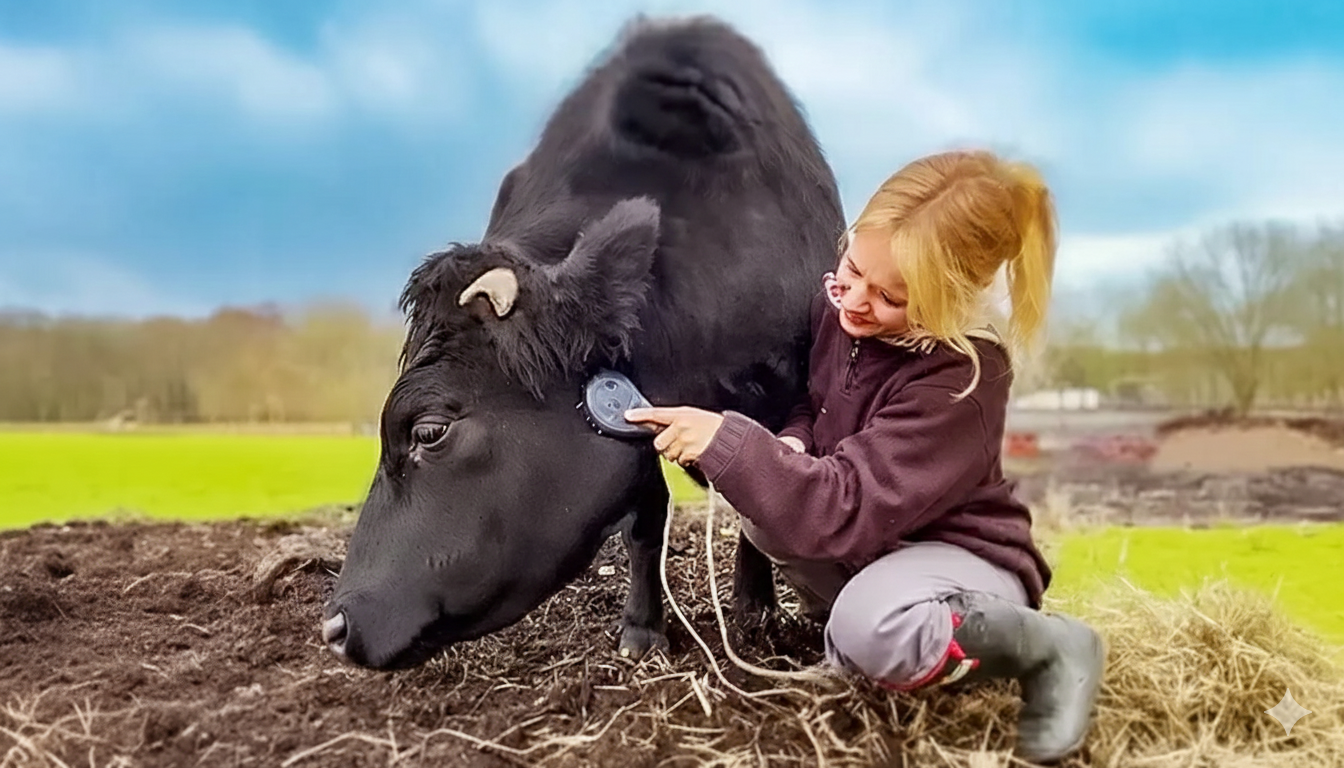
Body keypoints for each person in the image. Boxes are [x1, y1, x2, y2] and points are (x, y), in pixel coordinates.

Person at [624, 149, 1106, 764]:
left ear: (951, 299)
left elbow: (842, 503)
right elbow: (814, 400)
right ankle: (869, 626)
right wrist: (794, 441)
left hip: (955, 554)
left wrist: (725, 441)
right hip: (879, 537)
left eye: (890, 297)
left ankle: (1051, 648)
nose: (853, 301)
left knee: (867, 628)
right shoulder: (849, 312)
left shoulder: (963, 380)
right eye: (850, 270)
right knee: (767, 516)